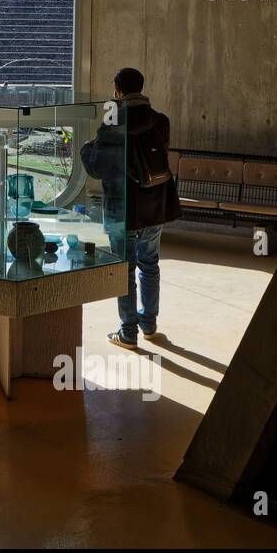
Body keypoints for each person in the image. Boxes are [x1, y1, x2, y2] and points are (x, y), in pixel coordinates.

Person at [81, 68, 181, 349]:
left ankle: (128, 332)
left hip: (122, 208)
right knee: (150, 264)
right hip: (155, 205)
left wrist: (86, 149)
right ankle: (148, 323)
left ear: (118, 91)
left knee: (123, 269)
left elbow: (97, 167)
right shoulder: (161, 121)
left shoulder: (113, 123)